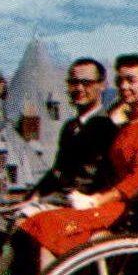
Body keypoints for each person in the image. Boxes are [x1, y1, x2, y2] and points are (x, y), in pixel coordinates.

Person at [17, 54, 138, 265]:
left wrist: (95, 200)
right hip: (109, 205)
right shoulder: (131, 125)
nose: (123, 86)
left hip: (124, 210)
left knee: (48, 224)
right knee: (43, 223)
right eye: (120, 80)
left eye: (131, 80)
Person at [31, 58, 118, 199]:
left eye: (86, 83)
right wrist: (32, 197)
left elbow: (89, 180)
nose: (79, 88)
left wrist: (44, 201)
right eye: (73, 83)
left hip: (83, 203)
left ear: (102, 85)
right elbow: (57, 171)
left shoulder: (104, 128)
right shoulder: (70, 127)